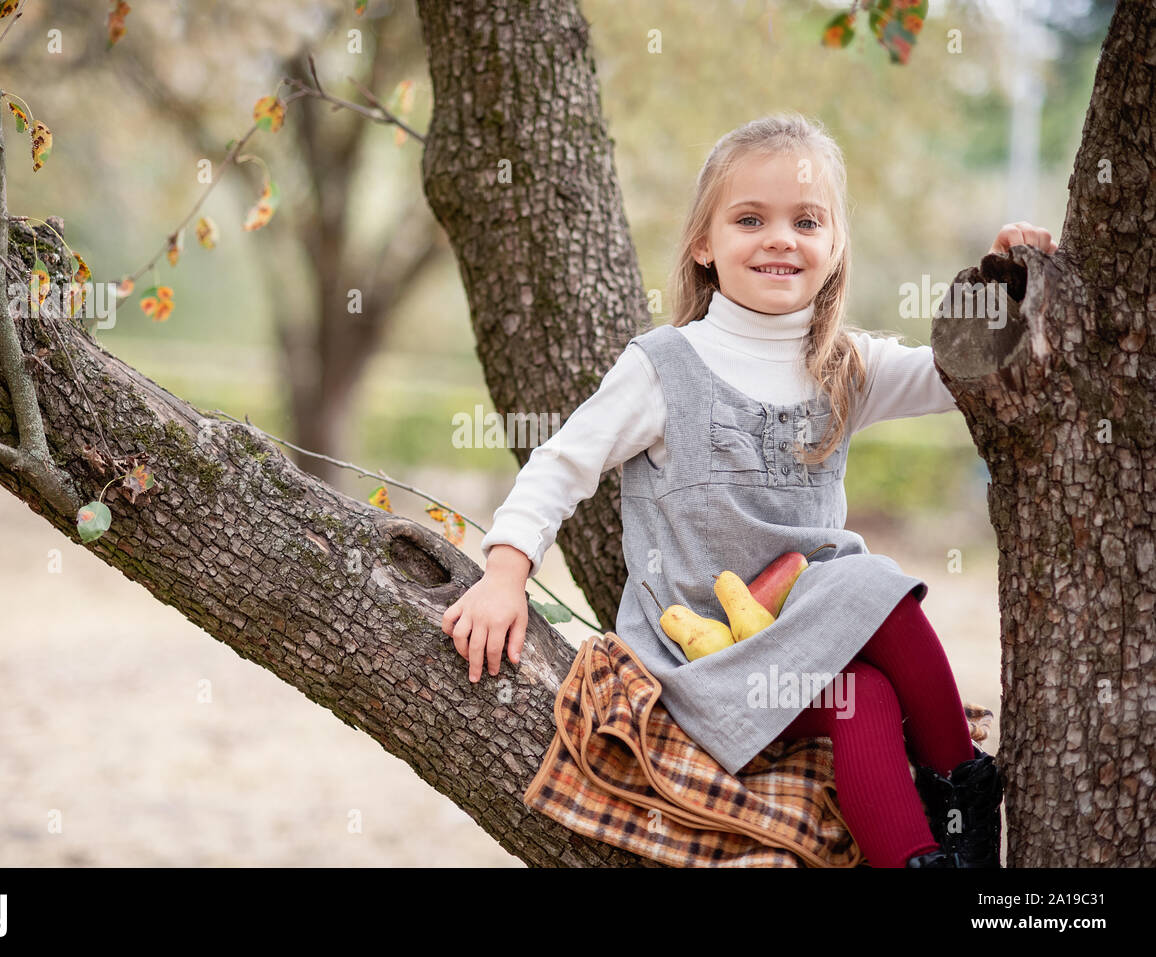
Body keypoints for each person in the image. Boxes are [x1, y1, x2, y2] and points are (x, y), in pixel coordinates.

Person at [441, 112, 1054, 868]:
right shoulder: (666, 366)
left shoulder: (844, 363)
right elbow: (562, 463)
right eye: (750, 218)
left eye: (806, 221)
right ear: (704, 244)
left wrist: (1009, 280)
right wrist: (506, 572)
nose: (780, 238)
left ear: (833, 248)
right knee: (871, 576)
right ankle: (961, 790)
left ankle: (947, 834)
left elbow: (958, 370)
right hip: (706, 658)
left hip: (814, 649)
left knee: (863, 697)